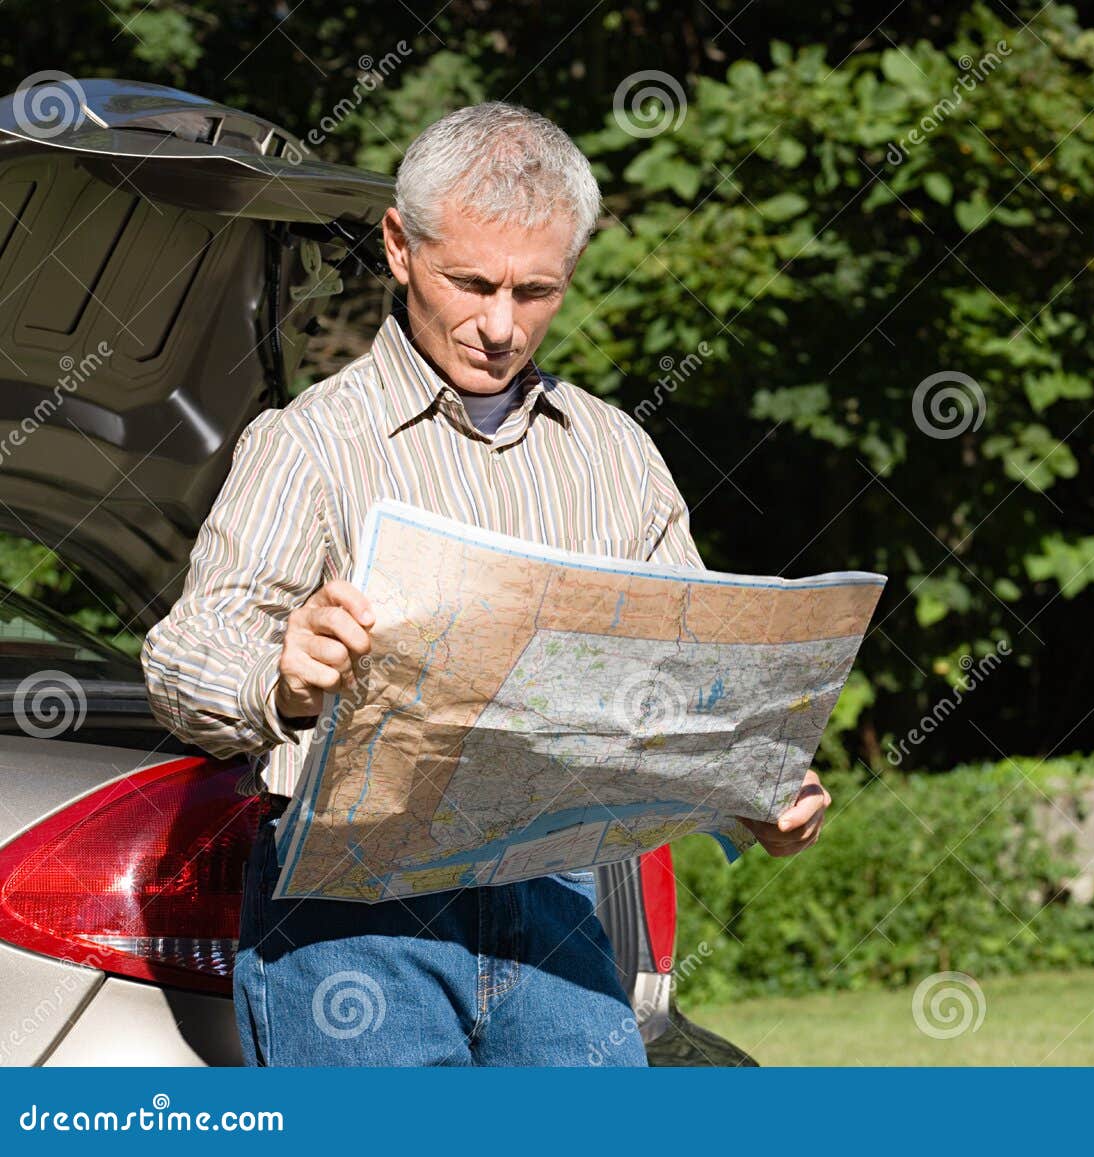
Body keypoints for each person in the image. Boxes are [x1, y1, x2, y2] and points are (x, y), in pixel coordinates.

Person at [140, 102, 832, 1067]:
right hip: (349, 921)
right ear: (399, 245)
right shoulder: (308, 444)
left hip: (558, 913)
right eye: (473, 283)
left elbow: (689, 684)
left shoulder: (614, 456)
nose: (501, 326)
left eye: (536, 290)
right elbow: (184, 653)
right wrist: (280, 673)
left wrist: (757, 781)